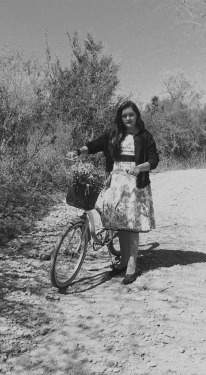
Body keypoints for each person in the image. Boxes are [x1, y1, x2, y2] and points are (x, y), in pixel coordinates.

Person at [66, 100, 159, 284]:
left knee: (131, 224)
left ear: (137, 116)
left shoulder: (144, 136)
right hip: (115, 183)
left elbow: (154, 159)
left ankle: (132, 263)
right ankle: (124, 260)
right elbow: (94, 145)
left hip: (135, 184)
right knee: (120, 223)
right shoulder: (114, 135)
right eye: (124, 115)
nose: (128, 118)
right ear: (120, 117)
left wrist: (140, 167)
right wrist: (78, 151)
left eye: (131, 115)